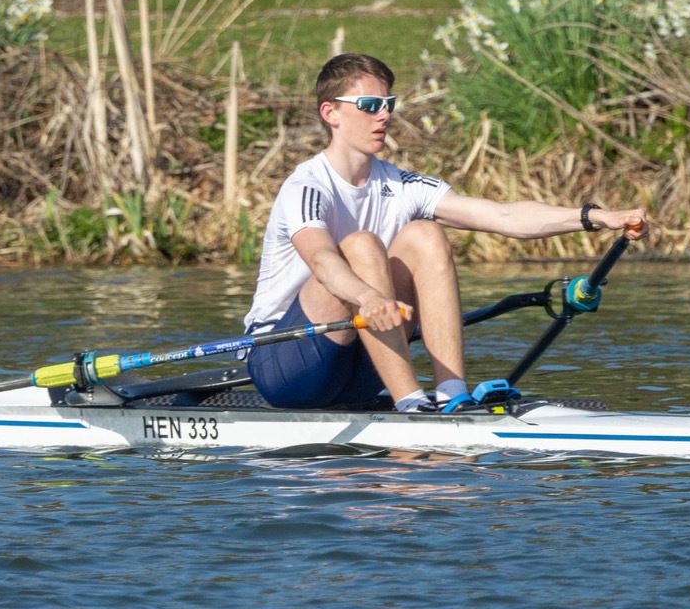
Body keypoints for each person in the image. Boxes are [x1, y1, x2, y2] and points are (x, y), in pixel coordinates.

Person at [243, 53, 649, 413]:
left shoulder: (402, 185)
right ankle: (409, 402)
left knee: (426, 235)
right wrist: (367, 297)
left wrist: (594, 217)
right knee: (362, 246)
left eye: (389, 105)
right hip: (288, 363)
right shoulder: (307, 187)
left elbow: (505, 216)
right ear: (331, 113)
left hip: (368, 365)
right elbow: (322, 260)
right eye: (369, 106)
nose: (384, 115)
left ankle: (450, 393)